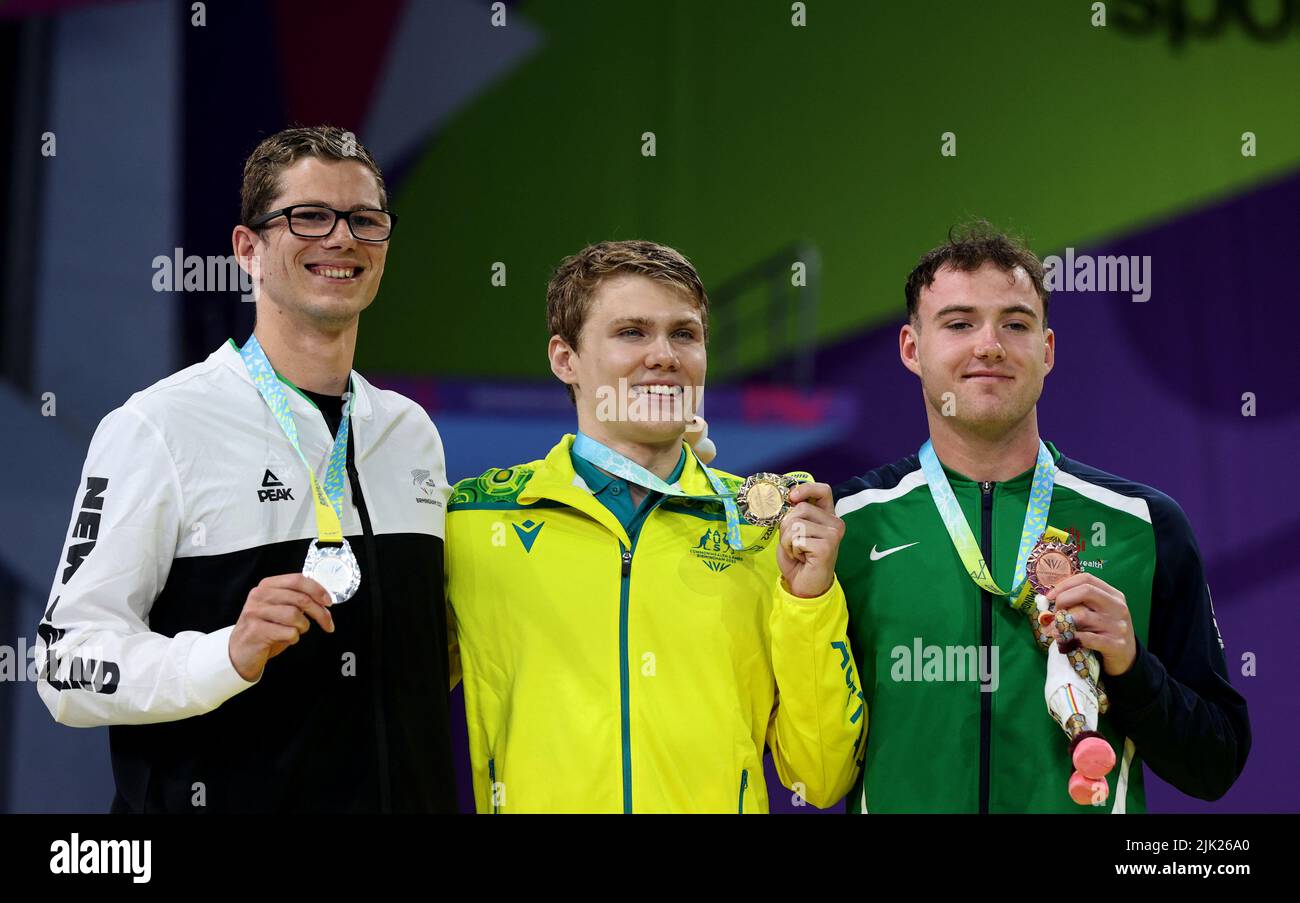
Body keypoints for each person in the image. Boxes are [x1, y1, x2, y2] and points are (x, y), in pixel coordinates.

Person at [34, 126, 458, 813]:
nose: (341, 238)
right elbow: (62, 664)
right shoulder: (157, 427)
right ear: (246, 250)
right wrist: (224, 654)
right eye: (309, 216)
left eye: (365, 220)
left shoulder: (410, 434)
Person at [831, 222, 1250, 813]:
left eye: (1016, 324)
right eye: (958, 323)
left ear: (1047, 351)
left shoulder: (1143, 524)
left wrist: (1132, 669)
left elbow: (1216, 762)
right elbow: (811, 758)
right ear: (911, 349)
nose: (990, 346)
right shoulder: (849, 525)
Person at [445, 240, 865, 813]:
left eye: (684, 334)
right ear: (564, 357)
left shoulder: (764, 531)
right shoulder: (475, 521)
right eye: (632, 333)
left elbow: (821, 774)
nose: (664, 355)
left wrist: (808, 601)